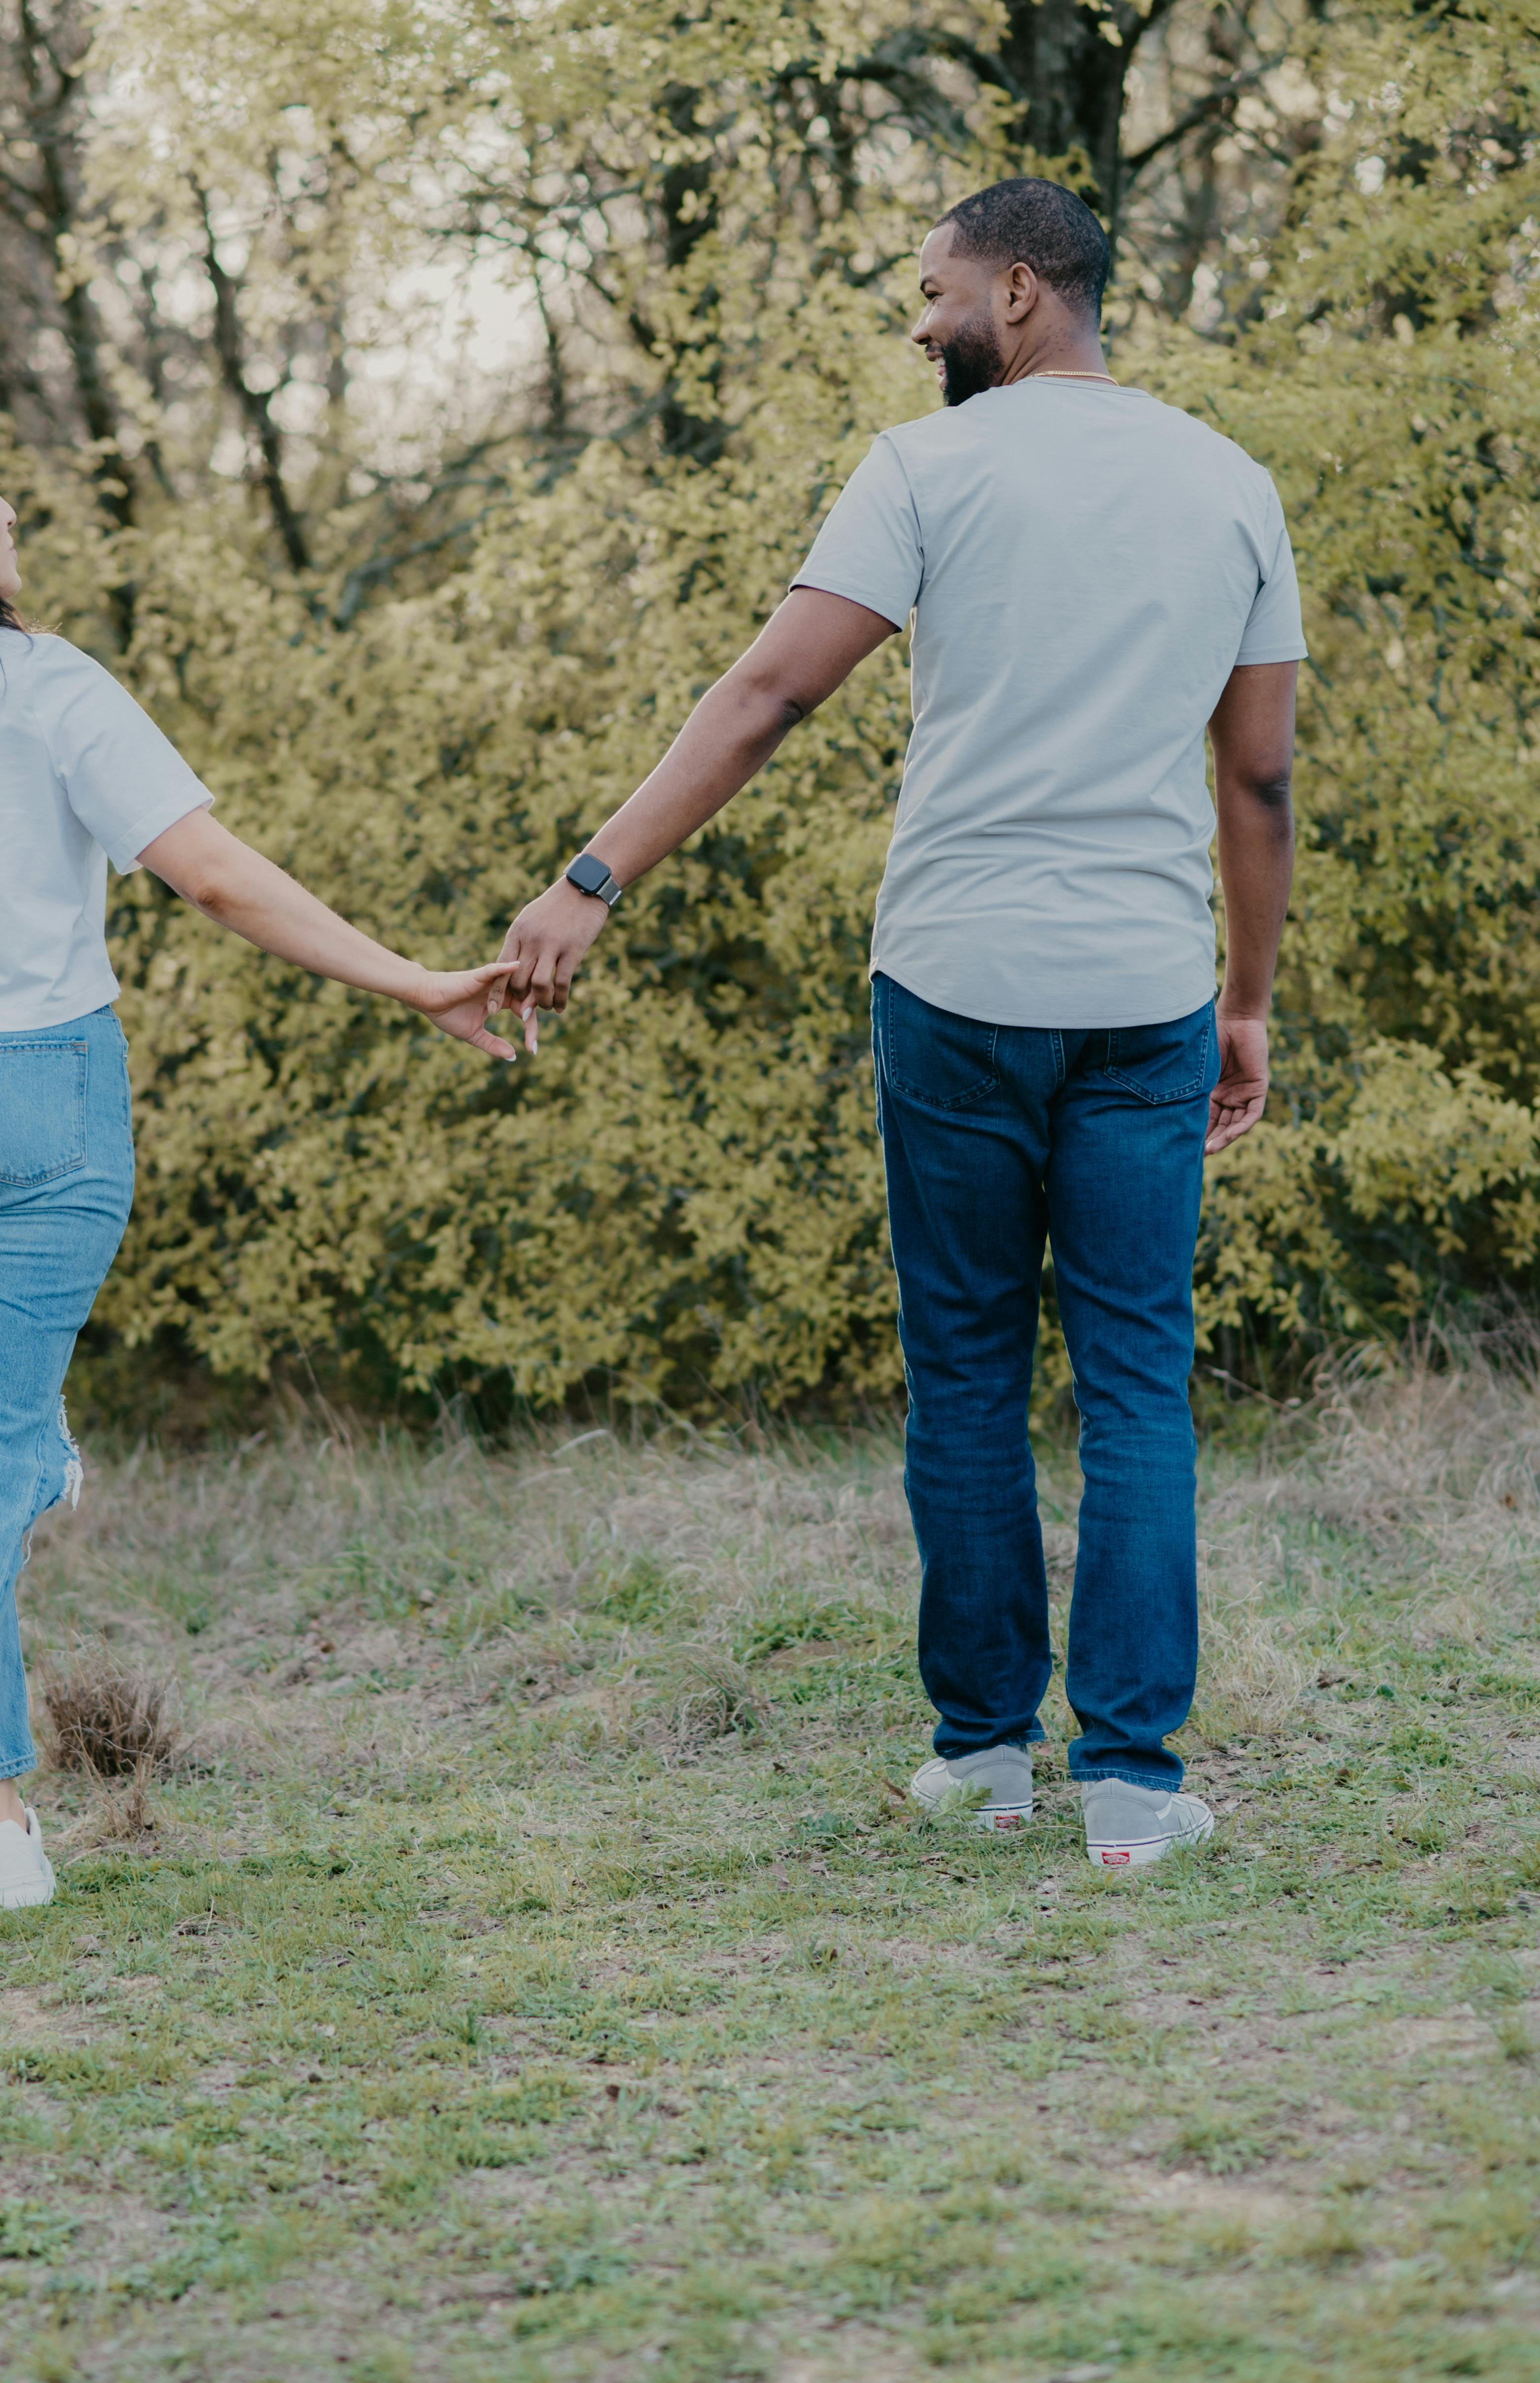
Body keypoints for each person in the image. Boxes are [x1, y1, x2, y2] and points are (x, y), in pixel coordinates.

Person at [500, 177, 1303, 1870]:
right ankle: (1135, 1791)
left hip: (950, 987)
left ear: (1020, 292)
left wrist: (594, 875)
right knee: (1138, 1385)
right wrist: (1245, 1001)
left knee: (964, 1376)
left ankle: (988, 1756)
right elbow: (1260, 777)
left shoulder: (923, 470)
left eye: (933, 291)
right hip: (1145, 997)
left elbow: (769, 692)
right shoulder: (1229, 485)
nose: (919, 320)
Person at [0, 402, 518, 1951]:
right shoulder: (46, 687)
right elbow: (213, 874)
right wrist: (414, 979)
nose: (15, 524)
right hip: (27, 1093)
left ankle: (3, 1830)